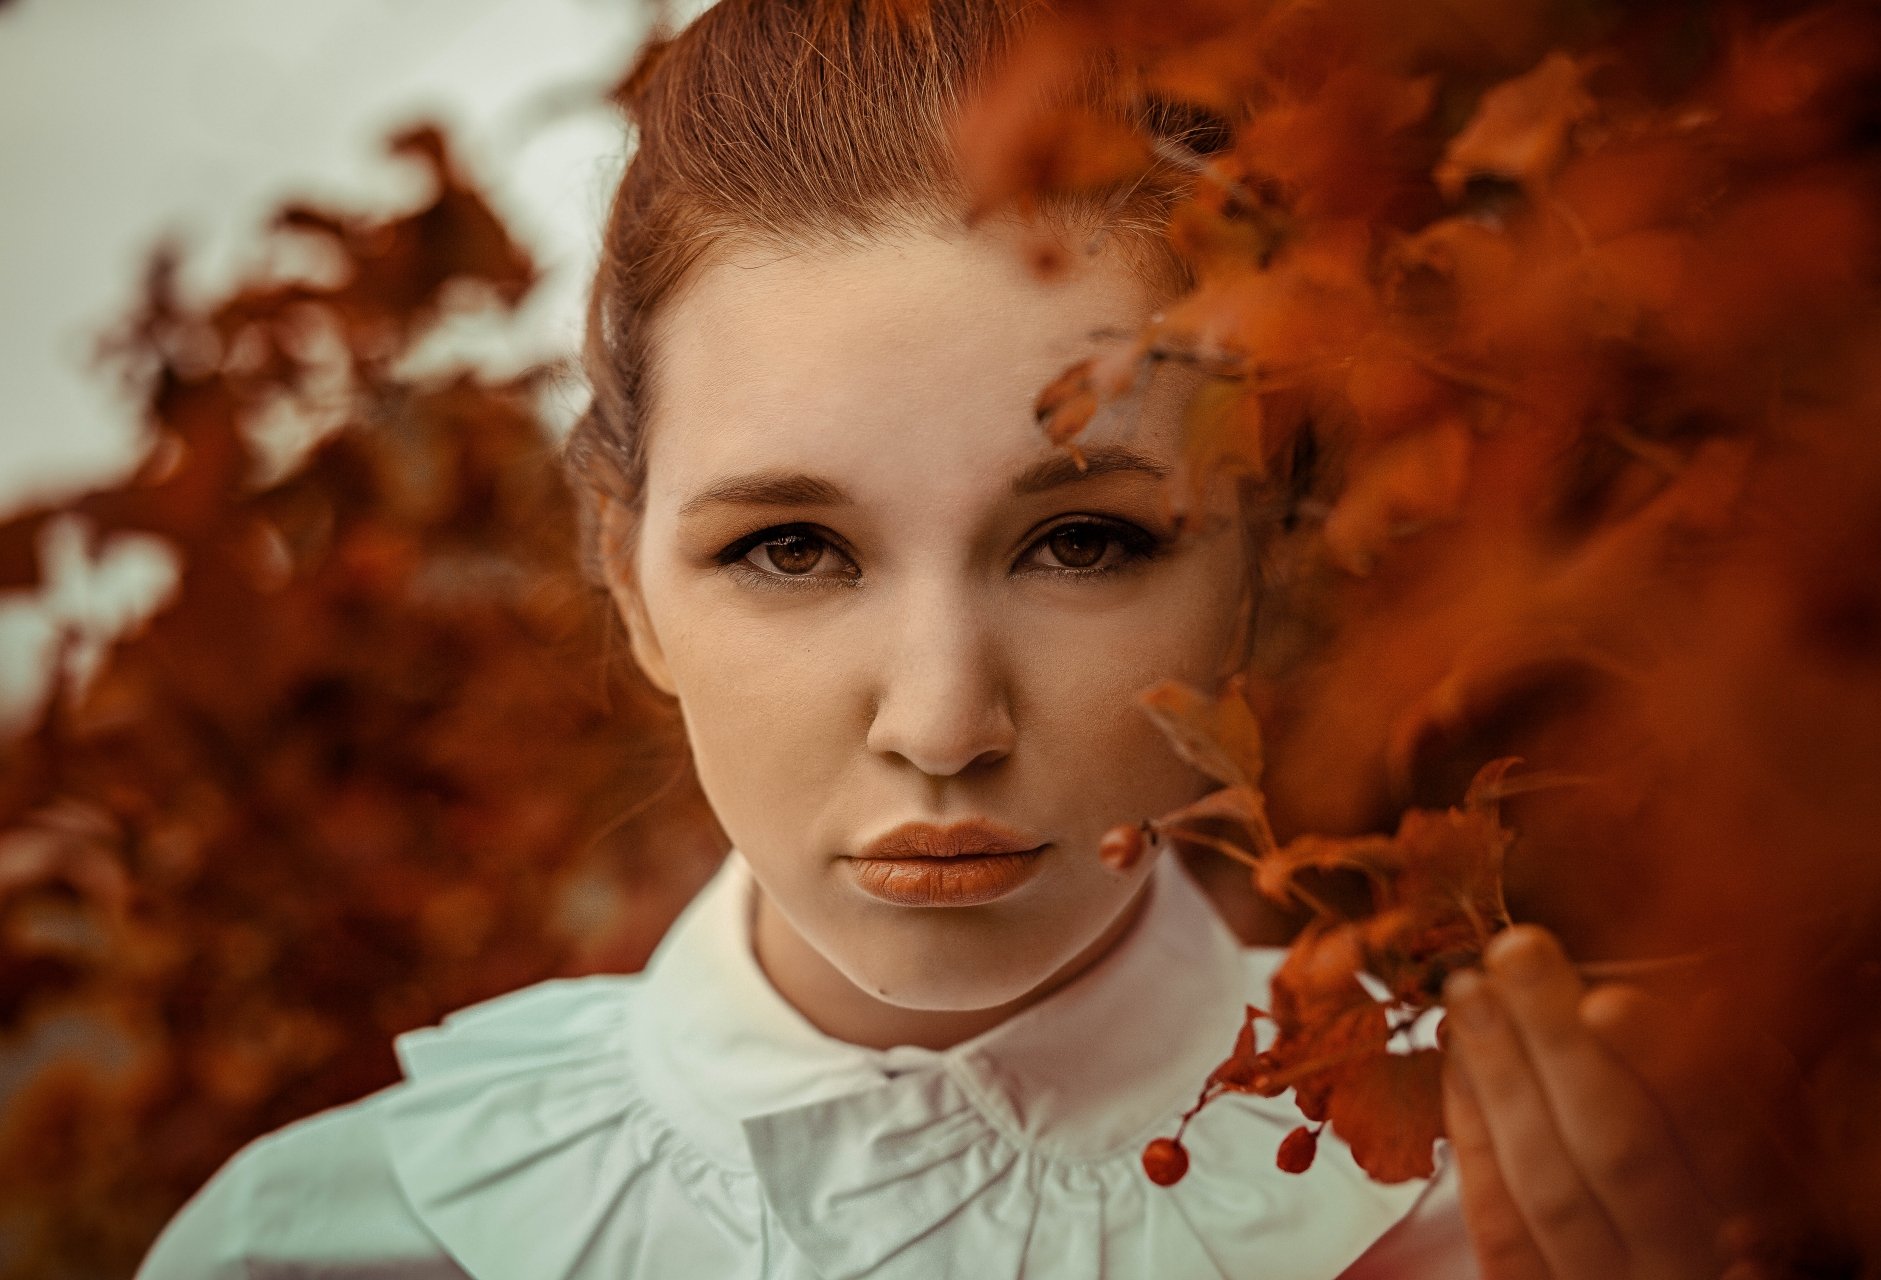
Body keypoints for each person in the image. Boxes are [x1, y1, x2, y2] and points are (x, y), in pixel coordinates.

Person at [136, 2, 1733, 1277]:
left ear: (1258, 561)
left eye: (1084, 540)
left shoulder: (1523, 1208)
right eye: (791, 549)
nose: (944, 721)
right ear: (629, 583)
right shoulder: (323, 1247)